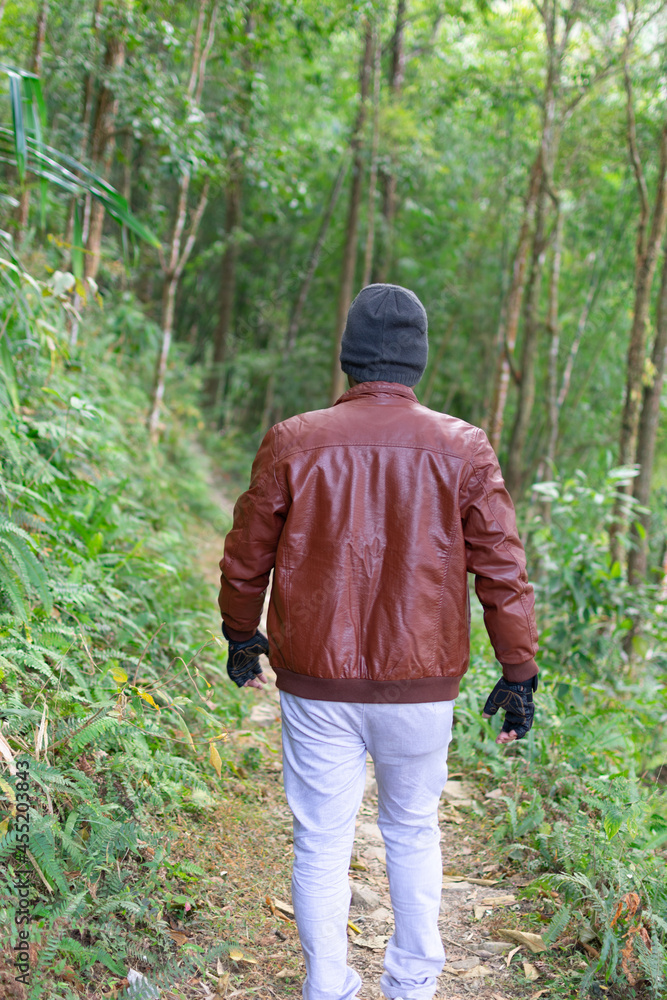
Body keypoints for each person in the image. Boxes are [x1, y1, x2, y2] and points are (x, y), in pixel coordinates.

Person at [218, 283, 539, 1000]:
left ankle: (326, 986)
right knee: (412, 831)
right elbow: (502, 569)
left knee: (322, 842)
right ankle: (412, 986)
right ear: (416, 362)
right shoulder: (463, 448)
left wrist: (242, 636)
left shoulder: (293, 439)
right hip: (420, 685)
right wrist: (517, 670)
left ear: (348, 359)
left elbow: (246, 557)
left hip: (315, 686)